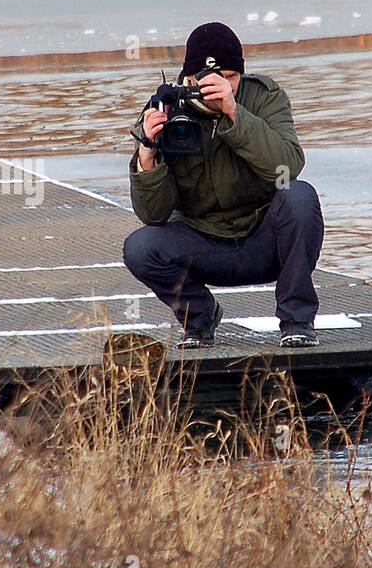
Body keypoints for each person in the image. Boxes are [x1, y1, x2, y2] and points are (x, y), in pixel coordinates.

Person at [122, 21, 324, 348]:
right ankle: (199, 319)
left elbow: (288, 167)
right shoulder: (165, 109)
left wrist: (234, 113)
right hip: (203, 245)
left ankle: (297, 321)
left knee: (300, 196)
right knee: (140, 247)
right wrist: (147, 155)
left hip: (264, 239)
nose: (220, 86)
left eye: (230, 77)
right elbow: (153, 215)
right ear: (188, 78)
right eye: (206, 80)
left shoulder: (263, 98)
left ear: (241, 75)